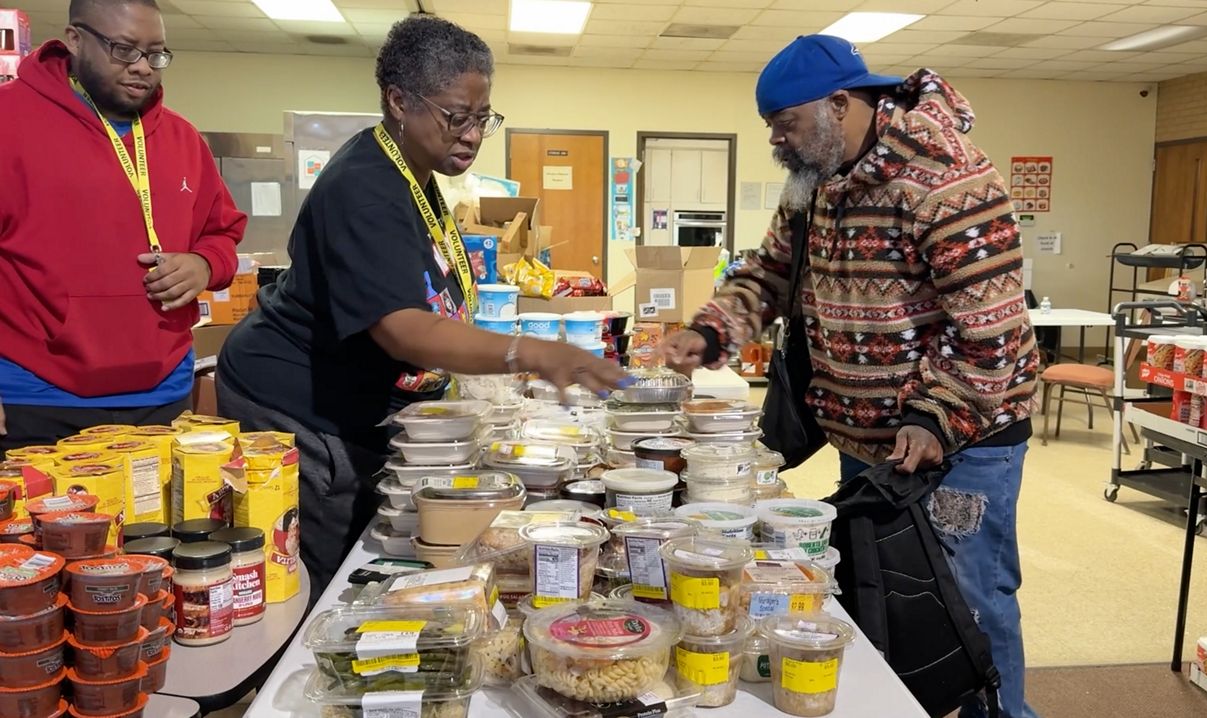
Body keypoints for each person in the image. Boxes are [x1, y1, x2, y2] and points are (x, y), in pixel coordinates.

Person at [662, 35, 1040, 718]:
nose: (778, 139)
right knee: (885, 588)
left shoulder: (945, 179)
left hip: (961, 444)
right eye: (771, 126)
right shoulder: (817, 179)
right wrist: (712, 328)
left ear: (840, 105)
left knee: (968, 602)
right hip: (870, 444)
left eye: (786, 122)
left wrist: (934, 414)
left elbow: (991, 329)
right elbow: (771, 272)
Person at [215, 16, 627, 597]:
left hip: (362, 391)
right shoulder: (364, 188)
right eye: (457, 116)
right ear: (399, 101)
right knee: (338, 565)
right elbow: (404, 328)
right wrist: (527, 352)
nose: (472, 134)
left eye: (483, 118)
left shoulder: (414, 171)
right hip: (298, 399)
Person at [0, 0, 245, 452]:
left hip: (160, 395)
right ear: (75, 40)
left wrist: (204, 264)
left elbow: (222, 231)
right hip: (37, 396)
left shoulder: (182, 138)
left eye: (156, 54)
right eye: (124, 50)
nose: (143, 69)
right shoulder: (9, 120)